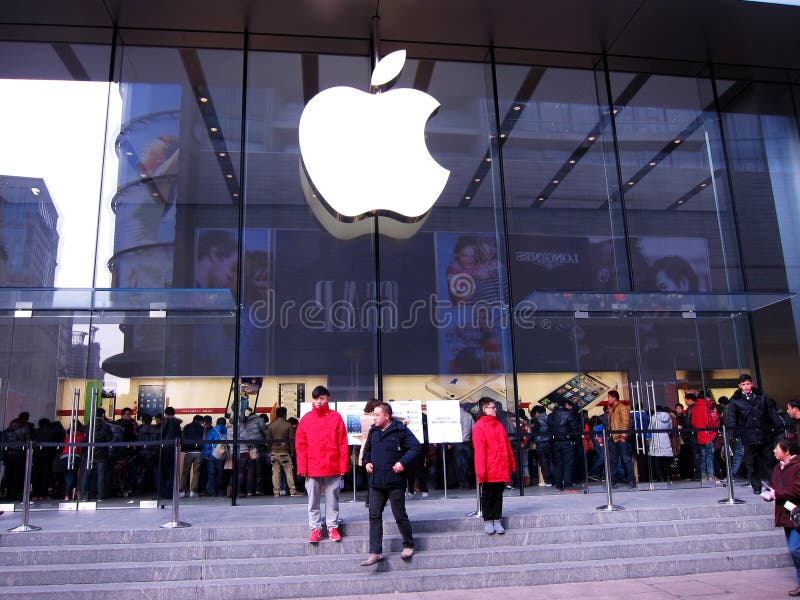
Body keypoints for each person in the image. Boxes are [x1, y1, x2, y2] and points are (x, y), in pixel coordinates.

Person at [361, 402, 421, 565]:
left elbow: (415, 447)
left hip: (395, 481)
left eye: (377, 415)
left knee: (399, 514)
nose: (374, 417)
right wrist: (366, 462)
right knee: (374, 515)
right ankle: (375, 552)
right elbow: (367, 452)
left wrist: (403, 463)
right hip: (376, 482)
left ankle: (408, 544)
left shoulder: (400, 430)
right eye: (373, 415)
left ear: (386, 416)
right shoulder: (373, 431)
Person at [295, 385, 349, 544]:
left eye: (322, 398)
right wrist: (302, 468)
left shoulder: (336, 417)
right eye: (316, 398)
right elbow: (300, 446)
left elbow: (343, 444)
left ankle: (332, 528)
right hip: (312, 467)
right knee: (313, 500)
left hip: (332, 465)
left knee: (333, 499)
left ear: (328, 399)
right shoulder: (306, 419)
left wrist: (343, 466)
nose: (318, 402)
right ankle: (316, 529)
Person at [725, 373, 783, 494]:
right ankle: (756, 487)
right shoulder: (735, 401)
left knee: (769, 461)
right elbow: (731, 418)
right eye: (743, 384)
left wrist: (778, 427)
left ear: (751, 384)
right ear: (739, 386)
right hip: (748, 435)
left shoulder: (761, 396)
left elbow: (771, 412)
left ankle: (774, 484)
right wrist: (733, 434)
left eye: (748, 384)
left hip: (764, 433)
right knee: (751, 463)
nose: (746, 386)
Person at [760, 436, 800, 597]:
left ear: (787, 451)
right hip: (786, 513)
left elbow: (797, 490)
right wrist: (768, 491)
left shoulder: (797, 467)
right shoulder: (778, 468)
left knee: (795, 549)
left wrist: (776, 493)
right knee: (794, 549)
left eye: (777, 448)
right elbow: (774, 484)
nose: (774, 451)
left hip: (796, 513)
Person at [473, 396, 516, 535]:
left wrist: (511, 463)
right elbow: (479, 451)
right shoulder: (479, 426)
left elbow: (506, 446)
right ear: (484, 409)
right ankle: (488, 521)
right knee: (487, 495)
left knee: (498, 495)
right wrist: (481, 471)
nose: (494, 410)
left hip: (500, 466)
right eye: (492, 407)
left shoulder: (498, 425)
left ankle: (497, 520)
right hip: (489, 467)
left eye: (494, 407)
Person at [266, 406, 303, 497]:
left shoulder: (271, 425)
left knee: (275, 472)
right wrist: (292, 452)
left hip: (274, 452)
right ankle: (293, 491)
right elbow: (291, 440)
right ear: (285, 414)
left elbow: (268, 441)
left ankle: (276, 492)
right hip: (284, 452)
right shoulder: (288, 425)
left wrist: (269, 451)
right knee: (288, 471)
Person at [606, 390, 636, 489]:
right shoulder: (611, 409)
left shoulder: (622, 407)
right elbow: (610, 424)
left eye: (609, 397)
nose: (608, 399)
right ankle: (613, 481)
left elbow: (625, 422)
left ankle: (632, 480)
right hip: (613, 438)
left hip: (620, 438)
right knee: (613, 461)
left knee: (626, 460)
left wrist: (623, 436)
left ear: (614, 397)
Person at [691, 389, 720, 482]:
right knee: (709, 456)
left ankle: (704, 477)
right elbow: (709, 422)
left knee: (703, 456)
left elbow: (693, 422)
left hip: (699, 434)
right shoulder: (705, 407)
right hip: (707, 434)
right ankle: (711, 476)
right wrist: (714, 426)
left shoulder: (695, 407)